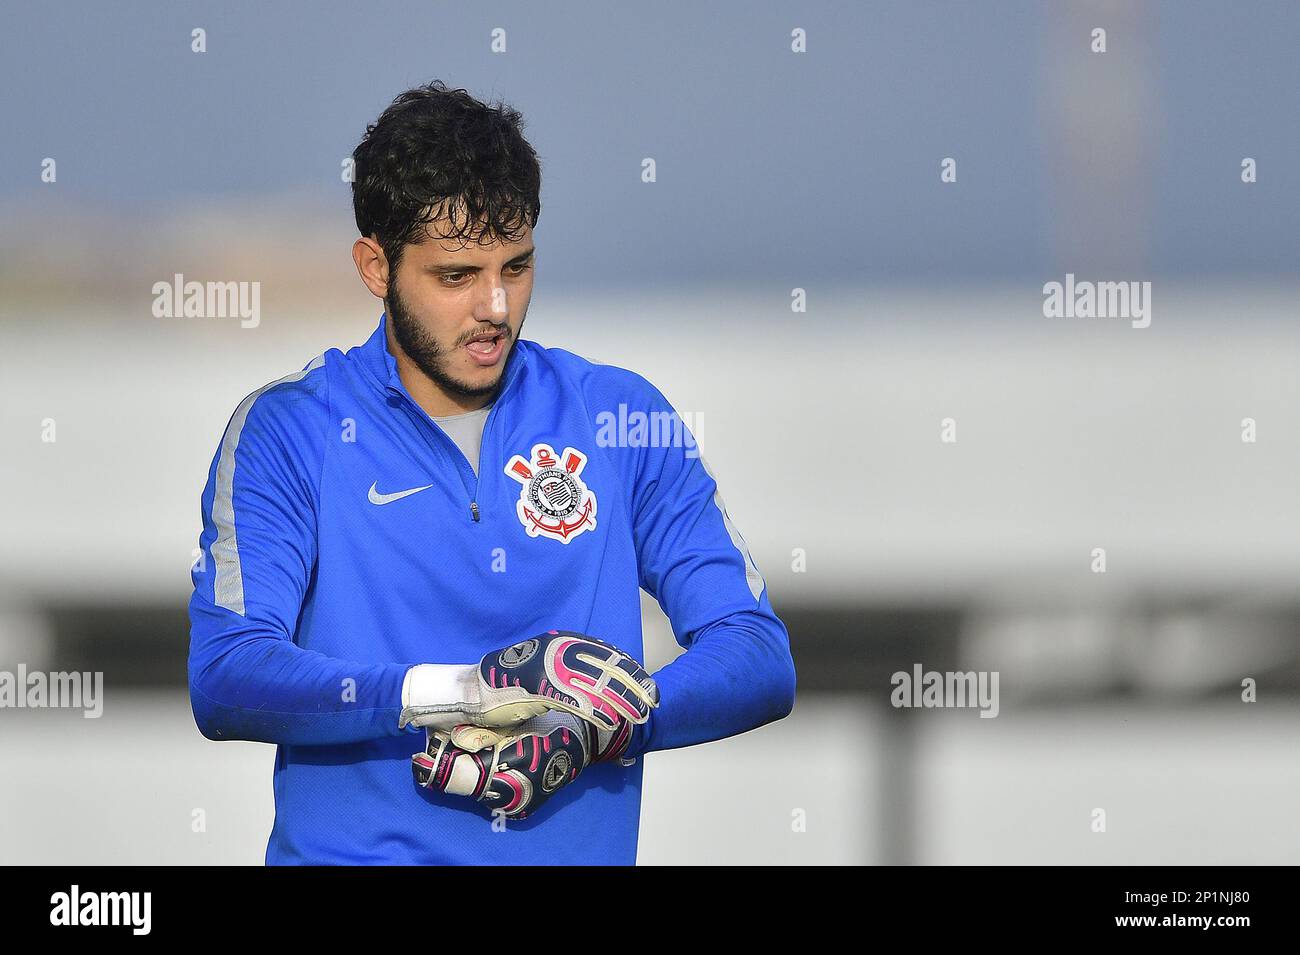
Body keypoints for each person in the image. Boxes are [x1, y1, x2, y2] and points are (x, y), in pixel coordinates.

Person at [187, 80, 796, 865]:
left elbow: (756, 651)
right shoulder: (288, 432)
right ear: (375, 267)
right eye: (456, 276)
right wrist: (456, 695)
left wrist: (607, 722)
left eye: (517, 266)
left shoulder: (618, 415)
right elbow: (228, 672)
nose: (497, 305)